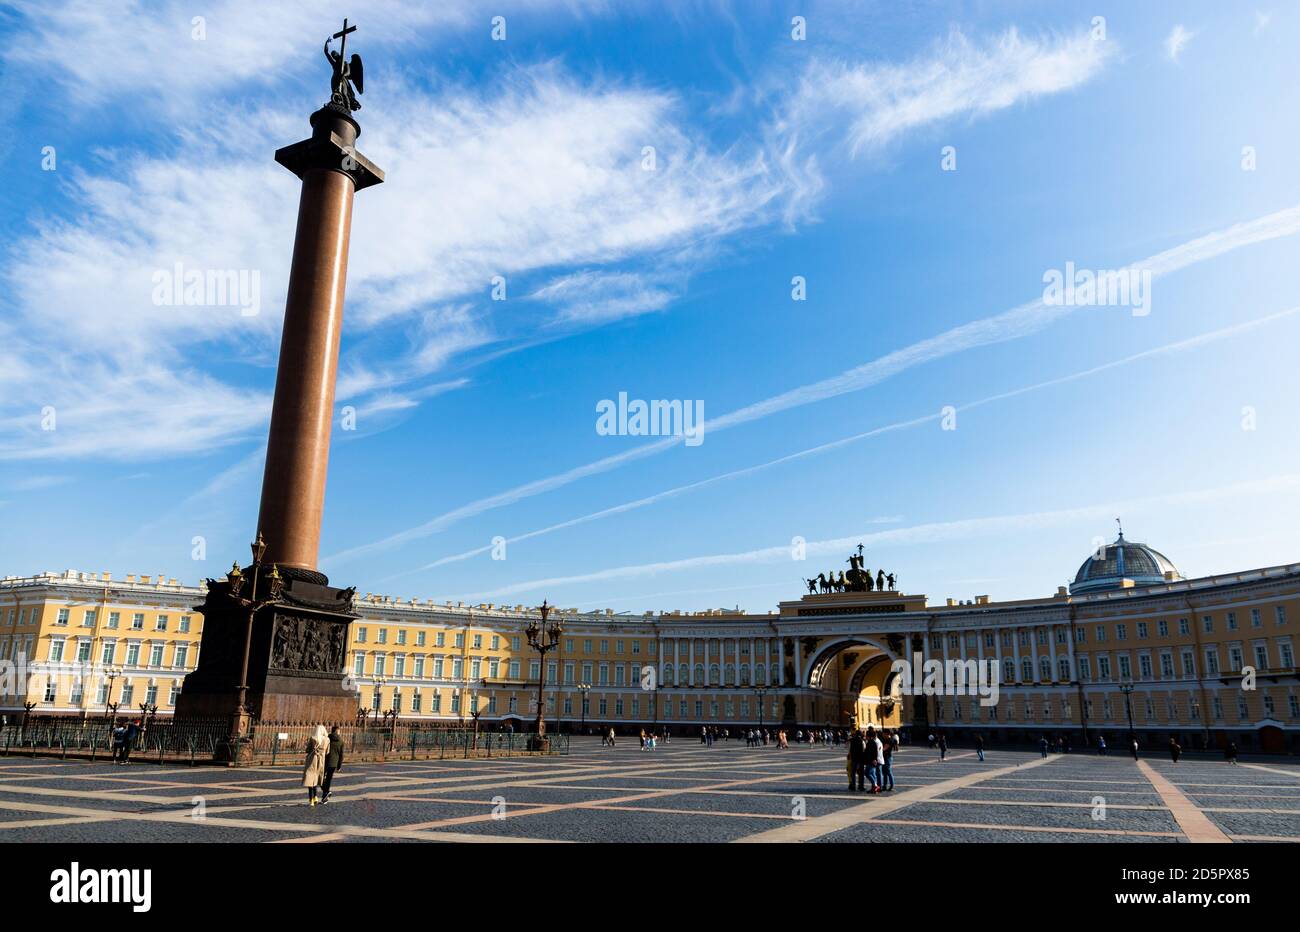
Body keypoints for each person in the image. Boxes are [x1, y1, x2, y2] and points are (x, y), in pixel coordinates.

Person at [302, 724, 328, 806]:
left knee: (310, 779)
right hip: (320, 761)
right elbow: (327, 752)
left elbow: (307, 750)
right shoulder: (327, 740)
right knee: (316, 779)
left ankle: (311, 800)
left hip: (312, 761)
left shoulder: (313, 738)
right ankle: (316, 797)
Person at [321, 725, 344, 803]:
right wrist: (339, 766)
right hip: (334, 763)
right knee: (328, 779)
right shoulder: (341, 741)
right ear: (337, 731)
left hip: (325, 761)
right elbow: (341, 755)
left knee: (320, 778)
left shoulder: (327, 739)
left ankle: (325, 792)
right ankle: (325, 795)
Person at [864, 726, 881, 792]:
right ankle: (874, 787)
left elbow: (873, 752)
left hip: (871, 761)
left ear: (869, 736)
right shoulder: (871, 742)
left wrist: (874, 759)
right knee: (872, 774)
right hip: (871, 760)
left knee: (867, 773)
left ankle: (875, 785)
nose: (865, 736)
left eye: (866, 735)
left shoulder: (871, 743)